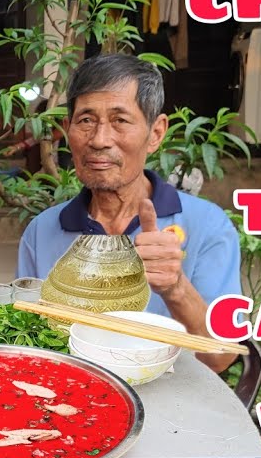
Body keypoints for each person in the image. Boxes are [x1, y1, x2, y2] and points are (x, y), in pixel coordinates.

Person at [15, 54, 241, 373]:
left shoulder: (208, 226)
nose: (99, 140)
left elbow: (220, 357)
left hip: (171, 411)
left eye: (120, 120)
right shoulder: (42, 231)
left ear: (156, 133)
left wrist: (175, 288)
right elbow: (30, 339)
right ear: (67, 131)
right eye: (86, 120)